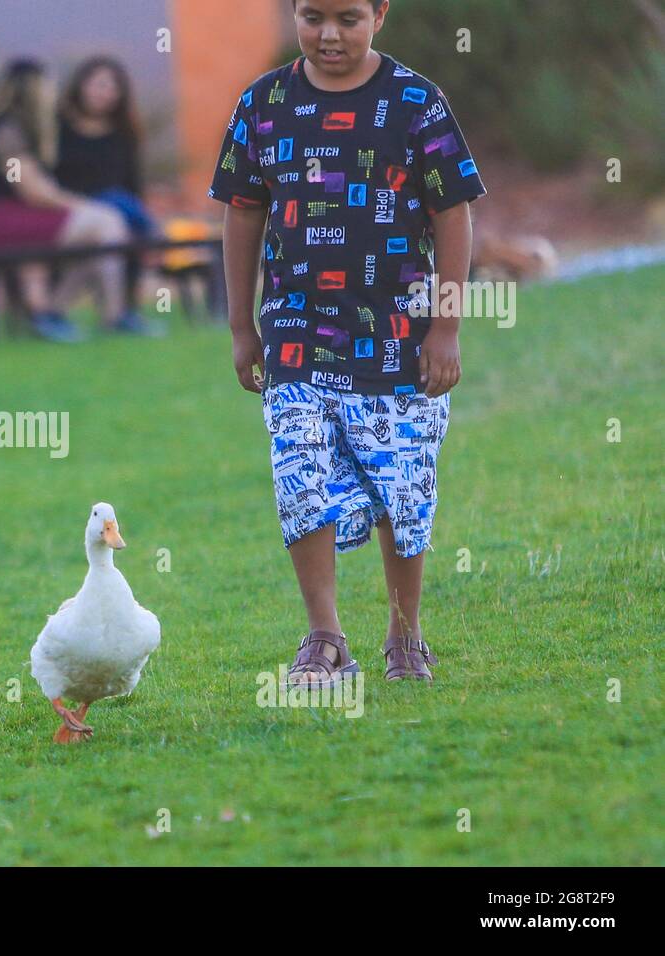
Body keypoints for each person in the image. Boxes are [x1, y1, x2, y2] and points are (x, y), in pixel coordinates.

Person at [211, 0, 485, 686]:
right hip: (296, 332)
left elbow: (454, 214)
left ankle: (405, 635)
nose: (329, 33)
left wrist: (445, 325)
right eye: (313, 16)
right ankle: (325, 638)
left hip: (397, 332)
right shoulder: (263, 102)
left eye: (348, 17)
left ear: (380, 14)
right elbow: (243, 212)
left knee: (403, 488)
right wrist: (243, 326)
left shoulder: (416, 102)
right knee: (300, 477)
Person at [0, 59, 150, 340]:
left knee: (103, 232)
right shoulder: (6, 131)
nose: (53, 93)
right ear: (33, 90)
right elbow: (34, 190)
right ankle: (106, 314)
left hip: (10, 216)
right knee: (106, 224)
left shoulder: (14, 128)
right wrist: (83, 205)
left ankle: (53, 312)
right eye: (48, 86)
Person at [56, 55, 157, 314]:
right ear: (81, 85)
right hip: (73, 210)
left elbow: (132, 181)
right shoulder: (58, 128)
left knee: (121, 215)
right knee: (118, 215)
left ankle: (120, 309)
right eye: (100, 85)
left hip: (117, 210)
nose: (106, 93)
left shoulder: (123, 133)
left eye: (113, 87)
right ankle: (115, 312)